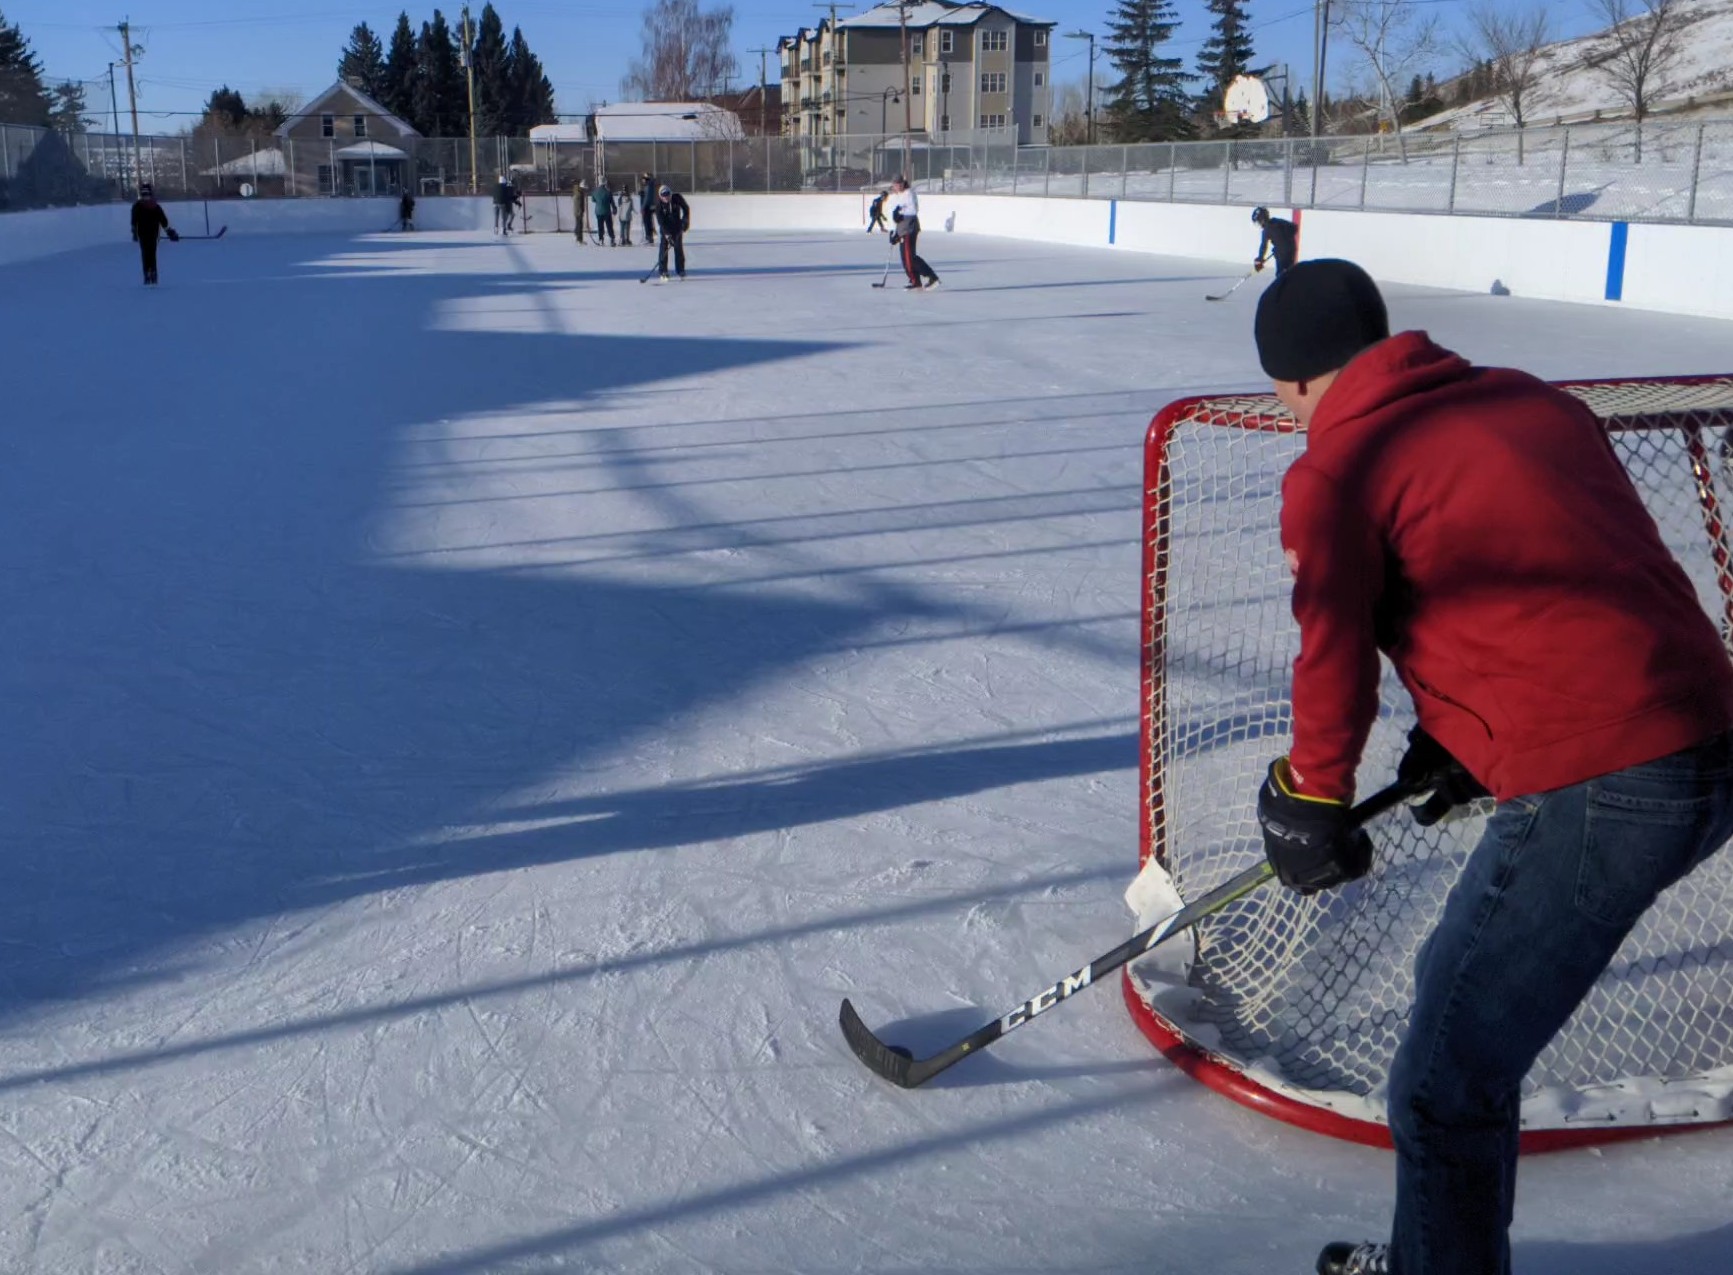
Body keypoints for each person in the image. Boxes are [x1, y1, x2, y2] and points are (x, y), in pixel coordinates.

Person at [1248, 259, 1733, 1275]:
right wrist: (1466, 738)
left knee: (1443, 1078)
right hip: (1708, 736)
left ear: (1290, 379)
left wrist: (1310, 797)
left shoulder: (1337, 468)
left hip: (1607, 782)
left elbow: (1332, 655)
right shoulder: (1528, 400)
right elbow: (1580, 578)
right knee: (1454, 1001)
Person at [887, 176, 939, 290]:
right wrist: (893, 232)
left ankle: (932, 277)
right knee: (905, 258)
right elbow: (894, 216)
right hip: (901, 229)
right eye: (895, 184)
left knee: (910, 257)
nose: (897, 186)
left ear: (903, 183)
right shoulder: (896, 196)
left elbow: (913, 210)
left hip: (910, 228)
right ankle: (915, 281)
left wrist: (900, 213)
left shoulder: (909, 193)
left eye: (899, 184)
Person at [129, 182, 177, 286]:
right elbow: (163, 221)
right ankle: (152, 273)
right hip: (152, 233)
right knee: (151, 253)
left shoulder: (138, 206)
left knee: (146, 253)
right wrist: (170, 232)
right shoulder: (154, 206)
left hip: (145, 233)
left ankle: (148, 273)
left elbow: (134, 221)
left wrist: (134, 232)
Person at [652, 183, 691, 280]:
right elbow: (661, 222)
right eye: (663, 195)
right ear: (660, 196)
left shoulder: (677, 198)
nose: (666, 197)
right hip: (665, 228)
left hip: (677, 227)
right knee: (664, 249)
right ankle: (663, 271)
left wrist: (685, 221)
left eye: (667, 194)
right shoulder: (658, 206)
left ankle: (680, 270)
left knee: (678, 249)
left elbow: (686, 208)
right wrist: (667, 234)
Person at [1252, 205, 1298, 277]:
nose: (1259, 224)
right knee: (1289, 272)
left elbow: (1263, 246)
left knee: (1280, 275)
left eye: (1259, 221)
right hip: (1291, 249)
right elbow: (1294, 227)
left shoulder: (1266, 230)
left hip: (1282, 255)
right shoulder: (1276, 221)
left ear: (1262, 220)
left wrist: (1260, 259)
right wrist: (1284, 241)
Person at [638, 174, 656, 248]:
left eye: (644, 179)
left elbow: (647, 198)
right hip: (650, 206)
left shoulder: (648, 186)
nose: (643, 181)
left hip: (647, 206)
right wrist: (643, 193)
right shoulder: (650, 186)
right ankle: (649, 237)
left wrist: (643, 207)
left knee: (647, 222)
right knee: (649, 222)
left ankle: (649, 238)